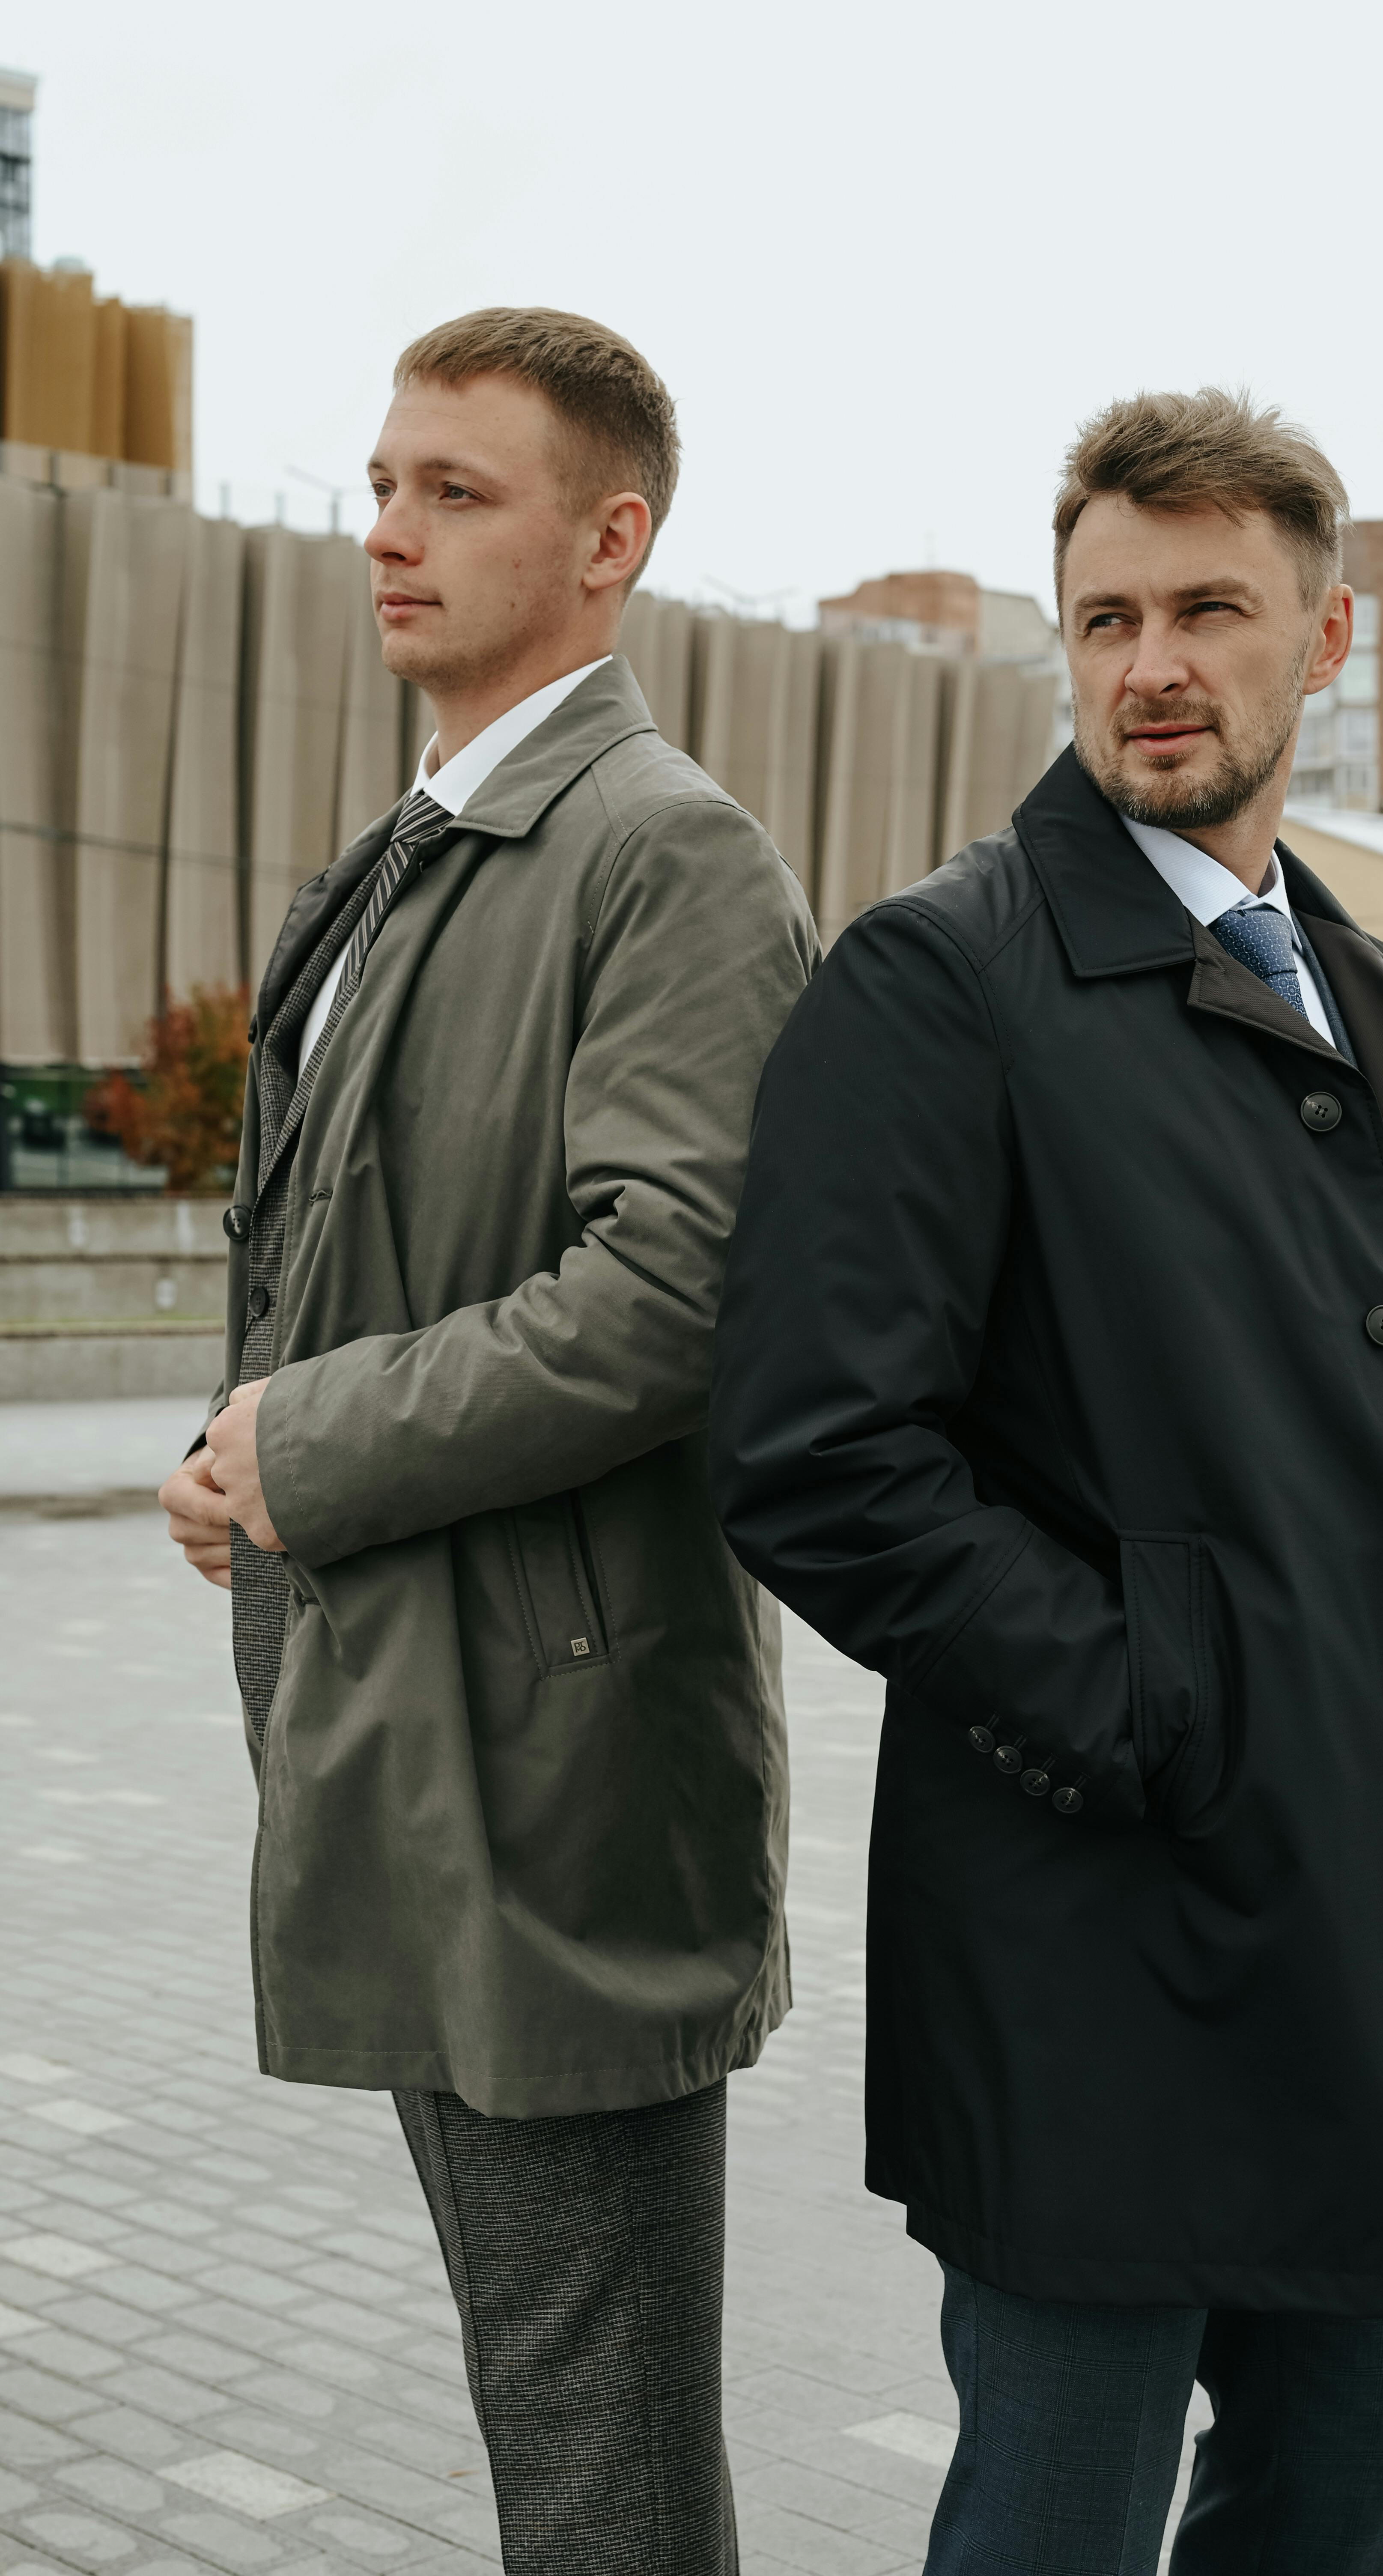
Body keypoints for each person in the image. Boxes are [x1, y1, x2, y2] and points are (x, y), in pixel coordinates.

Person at [708, 388, 1383, 2575]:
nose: (1150, 664)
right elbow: (815, 1460)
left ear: (1329, 640)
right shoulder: (942, 981)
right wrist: (1155, 1705)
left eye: (1208, 608)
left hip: (1374, 1943)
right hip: (1096, 1942)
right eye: (1103, 618)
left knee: (1330, 2505)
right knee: (1057, 2526)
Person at [158, 306, 816, 2576]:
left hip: (556, 1771)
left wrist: (309, 1443)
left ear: (613, 538)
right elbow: (345, 1266)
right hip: (397, 1721)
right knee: (556, 2399)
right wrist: (235, 1440)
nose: (389, 533)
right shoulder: (412, 855)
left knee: (592, 2423)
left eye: (459, 490)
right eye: (380, 483)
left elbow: (674, 1301)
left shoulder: (666, 856)